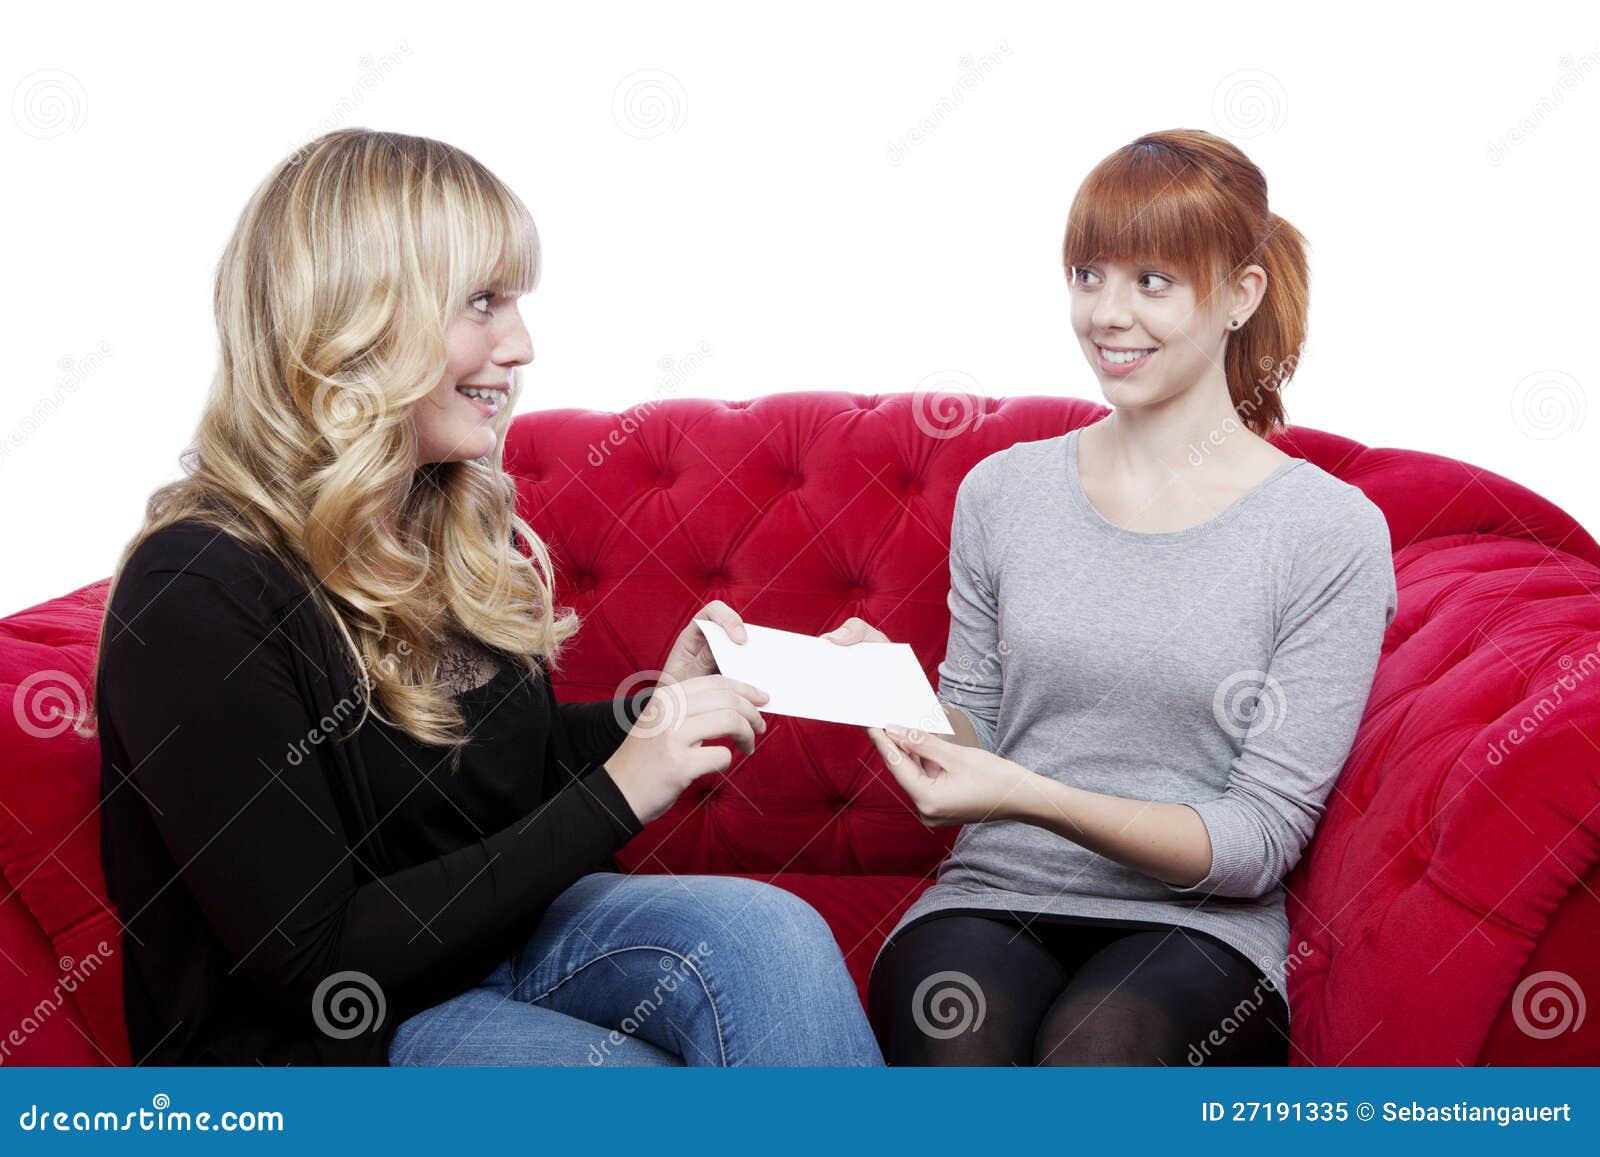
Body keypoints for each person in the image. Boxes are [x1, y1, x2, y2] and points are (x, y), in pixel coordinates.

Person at [92, 128, 882, 1067]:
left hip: (493, 943)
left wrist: (651, 713)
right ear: (354, 318)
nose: (521, 344)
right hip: (323, 1040)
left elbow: (496, 770)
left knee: (773, 935)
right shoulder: (197, 587)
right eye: (481, 303)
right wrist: (625, 789)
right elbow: (316, 964)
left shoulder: (445, 517)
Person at [828, 129, 1398, 1065]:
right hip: (993, 893)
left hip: (1198, 926)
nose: (1107, 313)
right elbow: (973, 732)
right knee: (955, 1036)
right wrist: (892, 699)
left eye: (1153, 281)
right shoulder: (1003, 490)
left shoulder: (1326, 531)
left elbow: (1257, 837)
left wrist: (1033, 793)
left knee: (1101, 1050)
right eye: (1088, 274)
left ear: (1240, 296)